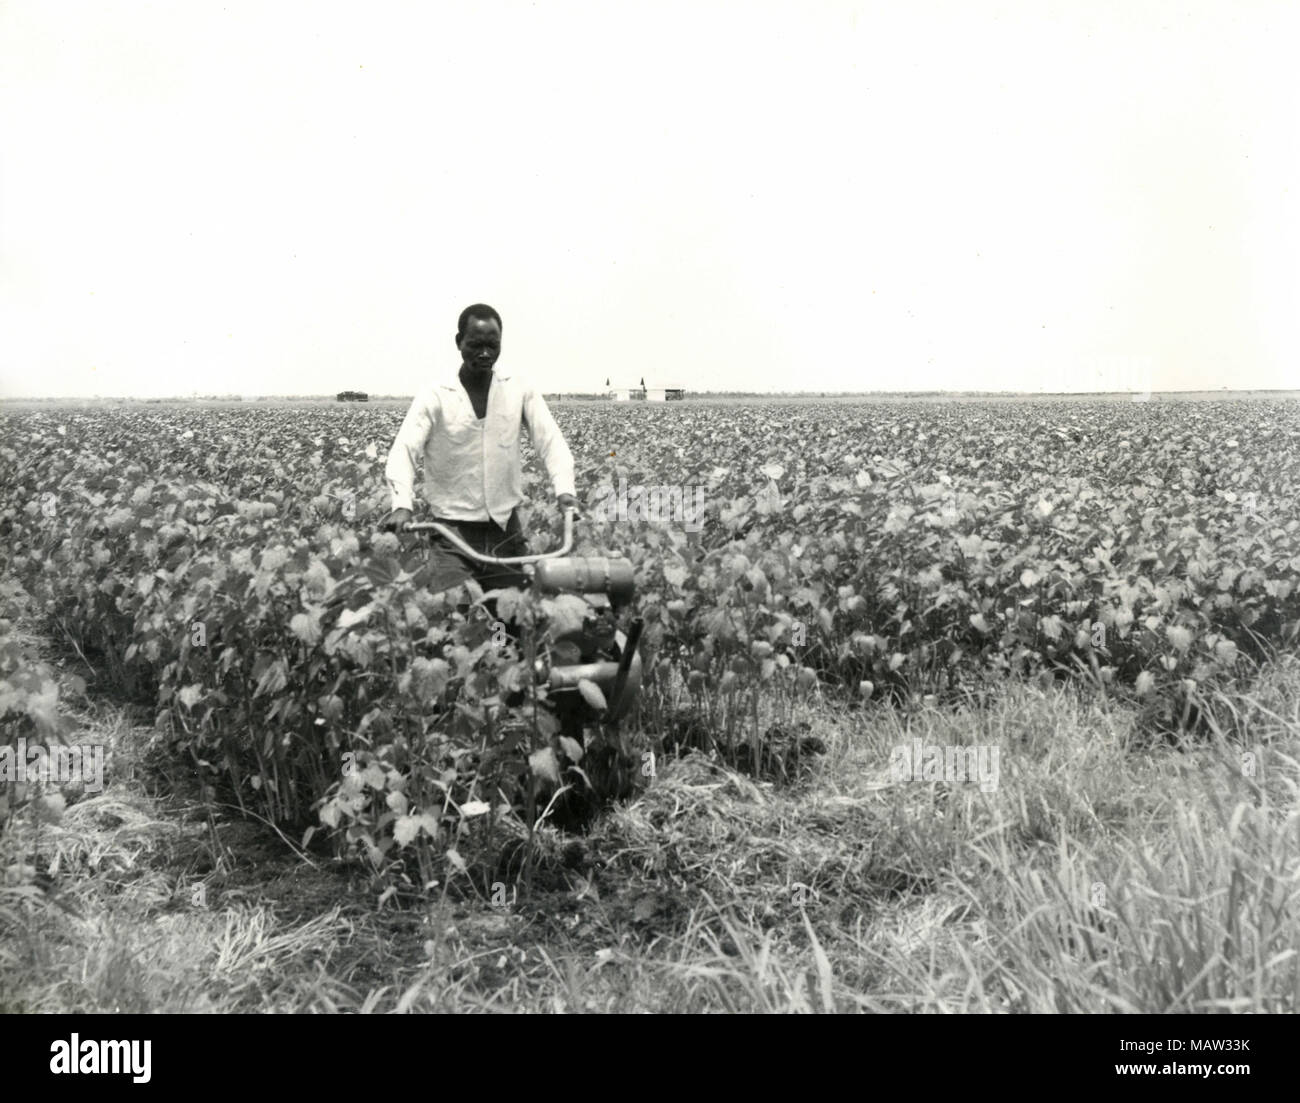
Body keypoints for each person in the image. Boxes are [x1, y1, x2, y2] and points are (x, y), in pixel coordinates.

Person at [382, 303, 579, 603]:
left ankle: (499, 646)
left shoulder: (518, 390)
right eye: (475, 345)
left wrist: (565, 491)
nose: (485, 354)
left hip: (504, 532)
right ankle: (465, 641)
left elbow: (551, 442)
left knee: (508, 618)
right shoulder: (436, 395)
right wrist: (401, 504)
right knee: (457, 615)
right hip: (452, 535)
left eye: (492, 346)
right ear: (459, 342)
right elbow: (404, 451)